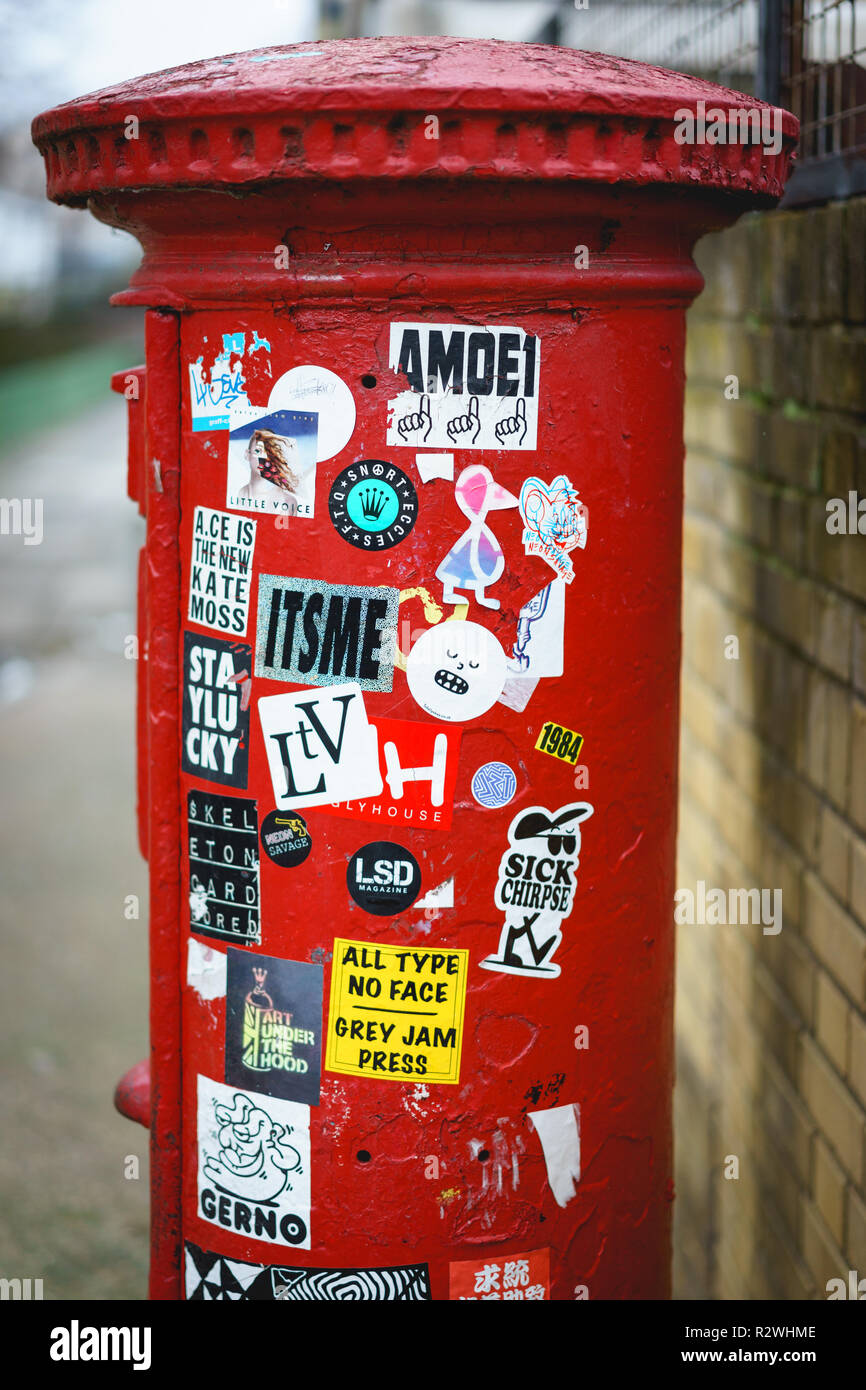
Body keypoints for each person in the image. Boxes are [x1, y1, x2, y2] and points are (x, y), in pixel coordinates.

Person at [238, 429, 301, 513]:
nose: (263, 459)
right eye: (258, 451)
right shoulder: (240, 494)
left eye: (269, 453)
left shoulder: (288, 502)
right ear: (247, 454)